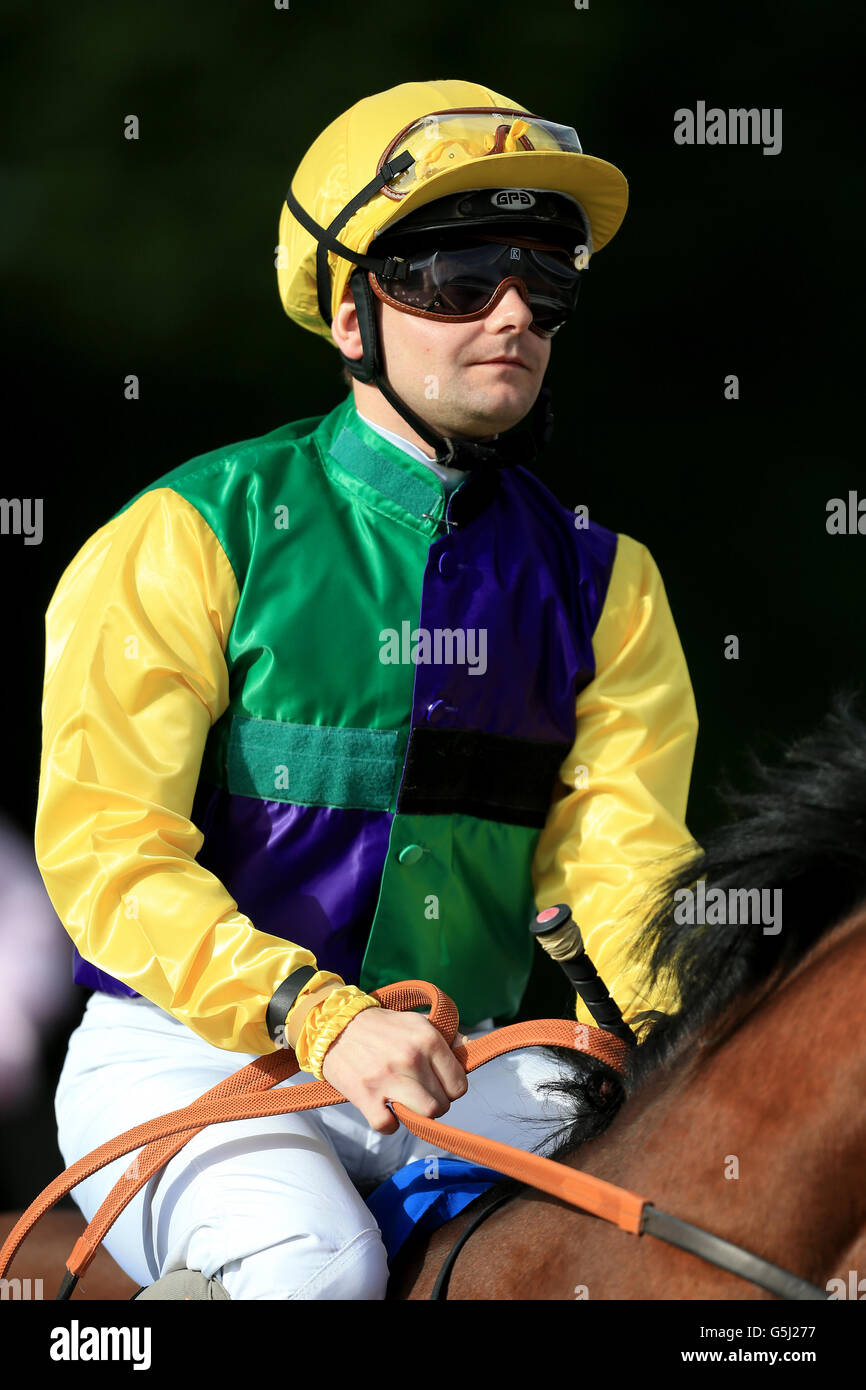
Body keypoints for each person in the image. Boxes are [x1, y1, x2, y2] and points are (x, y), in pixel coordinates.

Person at [36, 79, 699, 1300]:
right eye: (456, 276)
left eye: (544, 278)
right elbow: (106, 852)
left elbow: (623, 868)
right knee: (315, 1262)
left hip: (471, 1064)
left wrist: (698, 1028)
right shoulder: (188, 533)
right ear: (352, 316)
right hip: (194, 1051)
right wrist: (316, 1012)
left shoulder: (614, 585)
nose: (511, 312)